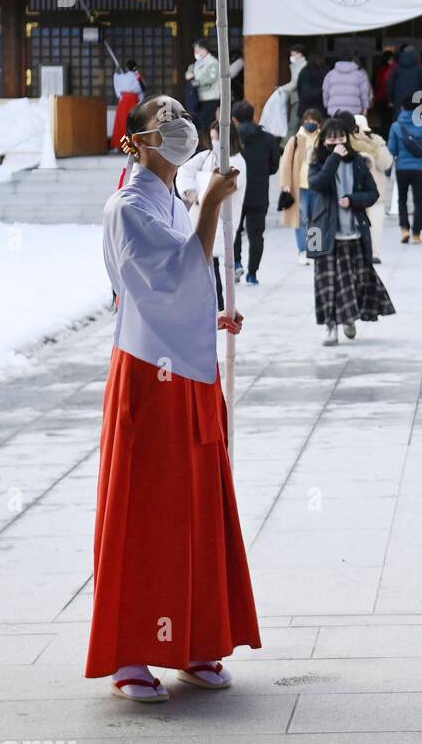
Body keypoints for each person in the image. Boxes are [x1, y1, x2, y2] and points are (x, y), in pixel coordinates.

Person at [87, 96, 259, 700]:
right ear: (135, 140)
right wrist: (211, 203)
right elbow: (168, 282)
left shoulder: (165, 200)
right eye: (165, 118)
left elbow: (181, 293)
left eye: (182, 113)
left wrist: (210, 317)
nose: (179, 123)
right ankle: (131, 652)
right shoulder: (126, 207)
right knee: (146, 510)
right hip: (148, 377)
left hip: (189, 374)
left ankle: (193, 642)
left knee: (195, 507)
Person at [307, 116, 395, 345]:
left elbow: (373, 194)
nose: (336, 140)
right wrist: (334, 158)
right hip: (321, 229)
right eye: (331, 137)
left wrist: (353, 200)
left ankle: (348, 317)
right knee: (325, 282)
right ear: (324, 139)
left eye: (340, 136)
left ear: (347, 137)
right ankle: (330, 327)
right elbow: (317, 184)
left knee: (355, 279)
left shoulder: (359, 162)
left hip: (354, 231)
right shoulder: (318, 160)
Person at [178, 116, 246, 309]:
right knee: (201, 263)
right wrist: (192, 192)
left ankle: (217, 306)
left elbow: (221, 186)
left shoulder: (238, 162)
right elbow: (184, 171)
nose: (214, 142)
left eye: (218, 138)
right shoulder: (207, 156)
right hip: (199, 214)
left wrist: (201, 182)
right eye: (212, 138)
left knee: (212, 264)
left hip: (221, 218)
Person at [229, 101, 280, 285]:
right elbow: (274, 166)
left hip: (235, 192)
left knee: (234, 230)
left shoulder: (230, 139)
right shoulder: (268, 139)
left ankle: (235, 264)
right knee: (256, 234)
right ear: (253, 116)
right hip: (259, 192)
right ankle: (252, 274)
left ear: (234, 120)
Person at [388, 98, 422, 243]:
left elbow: (391, 150)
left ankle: (404, 229)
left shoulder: (396, 126)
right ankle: (416, 234)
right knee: (418, 201)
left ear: (402, 108)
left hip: (402, 167)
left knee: (402, 200)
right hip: (418, 169)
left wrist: (387, 170)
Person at [279, 108, 323, 266]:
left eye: (314, 121)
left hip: (317, 186)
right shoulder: (296, 139)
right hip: (300, 186)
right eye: (308, 120)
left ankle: (314, 249)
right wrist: (285, 184)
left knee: (316, 219)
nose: (311, 123)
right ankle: (303, 250)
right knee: (301, 220)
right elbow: (286, 162)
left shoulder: (322, 139)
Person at [351, 113, 394, 264]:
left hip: (375, 194)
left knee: (375, 227)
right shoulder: (346, 142)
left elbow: (386, 164)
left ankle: (374, 253)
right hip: (354, 194)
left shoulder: (376, 142)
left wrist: (370, 145)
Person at [185, 38, 220, 136]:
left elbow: (211, 79)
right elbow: (190, 70)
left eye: (197, 50)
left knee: (207, 124)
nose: (195, 53)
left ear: (204, 49)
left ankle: (209, 145)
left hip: (209, 98)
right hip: (199, 98)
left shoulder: (213, 62)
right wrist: (189, 73)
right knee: (198, 124)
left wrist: (195, 81)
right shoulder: (198, 62)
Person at [322, 52, 372, 116]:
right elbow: (364, 93)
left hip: (335, 111)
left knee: (336, 126)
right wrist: (365, 108)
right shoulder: (360, 75)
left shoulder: (330, 74)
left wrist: (326, 105)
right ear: (352, 60)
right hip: (354, 111)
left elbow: (325, 91)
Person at [110, 59, 145, 151]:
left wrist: (116, 71)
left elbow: (116, 78)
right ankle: (133, 145)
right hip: (134, 101)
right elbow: (143, 89)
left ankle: (120, 146)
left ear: (126, 68)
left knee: (121, 123)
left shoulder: (122, 77)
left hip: (124, 101)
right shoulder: (137, 76)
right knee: (132, 124)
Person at [388, 44, 422, 113]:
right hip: (417, 101)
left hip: (399, 102)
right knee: (417, 122)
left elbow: (390, 85)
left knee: (400, 121)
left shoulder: (396, 68)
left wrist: (391, 100)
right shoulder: (419, 69)